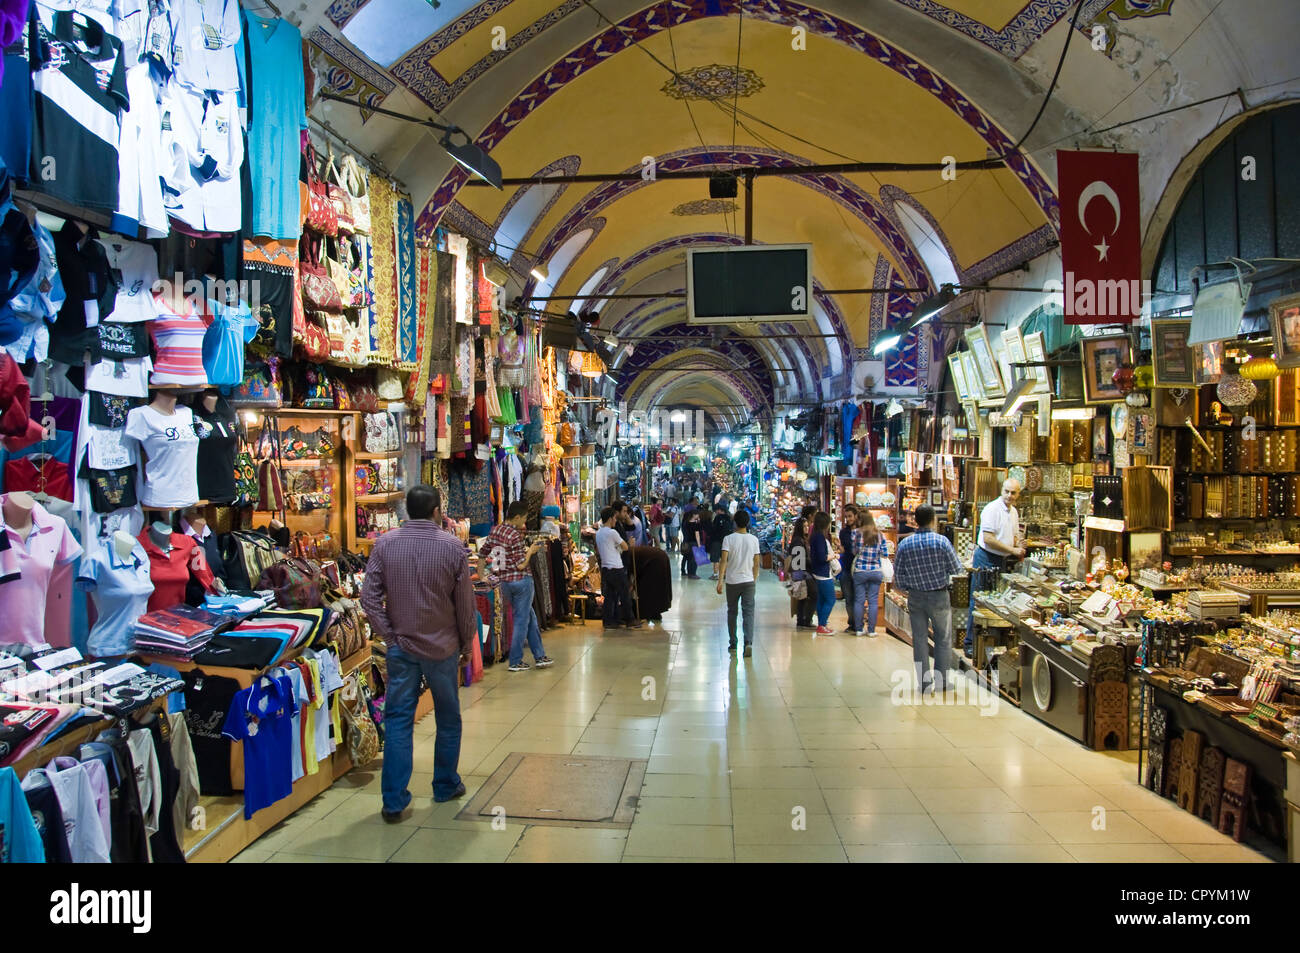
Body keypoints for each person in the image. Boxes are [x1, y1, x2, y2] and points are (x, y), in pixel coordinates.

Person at [360, 485, 475, 821]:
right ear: (437, 511)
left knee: (398, 721)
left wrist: (389, 636)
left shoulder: (385, 544)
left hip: (402, 649)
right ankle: (444, 785)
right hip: (442, 649)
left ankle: (394, 802)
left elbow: (369, 598)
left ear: (408, 511)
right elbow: (465, 606)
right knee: (449, 719)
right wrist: (467, 644)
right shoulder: (454, 548)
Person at [893, 504, 963, 692]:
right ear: (933, 520)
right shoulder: (942, 542)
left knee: (919, 639)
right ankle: (941, 681)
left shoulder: (905, 544)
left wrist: (909, 588)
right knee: (943, 638)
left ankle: (924, 683)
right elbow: (957, 569)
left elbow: (898, 576)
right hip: (939, 596)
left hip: (916, 596)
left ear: (915, 520)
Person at [481, 501, 555, 673]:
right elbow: (521, 564)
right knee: (522, 621)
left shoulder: (495, 530)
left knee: (530, 618)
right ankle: (515, 661)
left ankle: (539, 656)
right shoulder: (515, 535)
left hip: (505, 582)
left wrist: (483, 575)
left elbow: (483, 553)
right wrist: (531, 551)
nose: (523, 523)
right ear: (516, 517)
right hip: (521, 581)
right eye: (523, 519)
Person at [966, 478, 1024, 657]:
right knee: (979, 599)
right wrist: (1013, 550)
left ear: (1018, 495)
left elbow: (1014, 535)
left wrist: (1019, 545)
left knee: (997, 601)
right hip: (986, 558)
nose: (1009, 495)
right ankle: (970, 643)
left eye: (1013, 493)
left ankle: (992, 642)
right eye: (1006, 491)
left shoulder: (1013, 512)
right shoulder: (992, 509)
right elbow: (989, 539)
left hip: (1001, 560)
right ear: (1002, 490)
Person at [716, 509, 761, 657]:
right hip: (748, 581)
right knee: (748, 613)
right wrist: (754, 579)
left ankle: (733, 642)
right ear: (747, 522)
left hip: (732, 581)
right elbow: (756, 563)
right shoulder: (754, 540)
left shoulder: (728, 539)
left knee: (732, 612)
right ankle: (748, 642)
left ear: (735, 522)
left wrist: (720, 581)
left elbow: (724, 561)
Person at [596, 506, 643, 631]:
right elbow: (625, 547)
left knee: (610, 596)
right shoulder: (612, 533)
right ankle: (630, 620)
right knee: (624, 594)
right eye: (615, 518)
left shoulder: (599, 533)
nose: (615, 521)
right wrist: (630, 543)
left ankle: (608, 621)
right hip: (616, 568)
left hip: (606, 568)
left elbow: (611, 548)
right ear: (611, 518)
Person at [851, 513, 890, 637]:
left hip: (860, 570)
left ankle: (858, 629)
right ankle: (872, 630)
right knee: (873, 601)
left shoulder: (856, 533)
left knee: (859, 601)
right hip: (876, 571)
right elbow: (885, 553)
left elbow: (854, 551)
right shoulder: (880, 534)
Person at [808, 512, 837, 634]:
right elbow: (822, 557)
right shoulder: (819, 537)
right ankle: (822, 624)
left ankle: (821, 624)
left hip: (817, 571)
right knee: (830, 599)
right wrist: (834, 556)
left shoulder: (814, 536)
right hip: (823, 572)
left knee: (821, 599)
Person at [786, 517, 815, 628]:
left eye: (807, 526)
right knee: (808, 594)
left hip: (799, 571)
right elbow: (800, 559)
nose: (807, 528)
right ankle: (804, 620)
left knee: (802, 596)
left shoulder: (800, 539)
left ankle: (801, 620)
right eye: (804, 526)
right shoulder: (798, 541)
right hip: (800, 571)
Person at [838, 505, 859, 633]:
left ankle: (858, 623)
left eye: (850, 516)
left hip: (859, 568)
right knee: (849, 597)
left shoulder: (862, 531)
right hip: (846, 567)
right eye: (846, 517)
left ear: (856, 516)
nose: (848, 519)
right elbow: (846, 550)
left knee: (858, 597)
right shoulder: (843, 532)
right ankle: (852, 623)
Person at [708, 503, 733, 580]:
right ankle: (725, 574)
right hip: (727, 541)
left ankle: (715, 574)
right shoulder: (729, 517)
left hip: (716, 541)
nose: (715, 512)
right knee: (725, 558)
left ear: (719, 510)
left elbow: (714, 529)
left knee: (716, 559)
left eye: (716, 510)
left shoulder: (718, 517)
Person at [682, 506, 704, 578]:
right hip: (694, 543)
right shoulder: (695, 524)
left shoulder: (686, 523)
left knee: (688, 559)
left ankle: (689, 573)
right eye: (697, 514)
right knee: (694, 560)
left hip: (687, 543)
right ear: (694, 515)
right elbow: (697, 535)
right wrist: (699, 544)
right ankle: (693, 574)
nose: (698, 515)